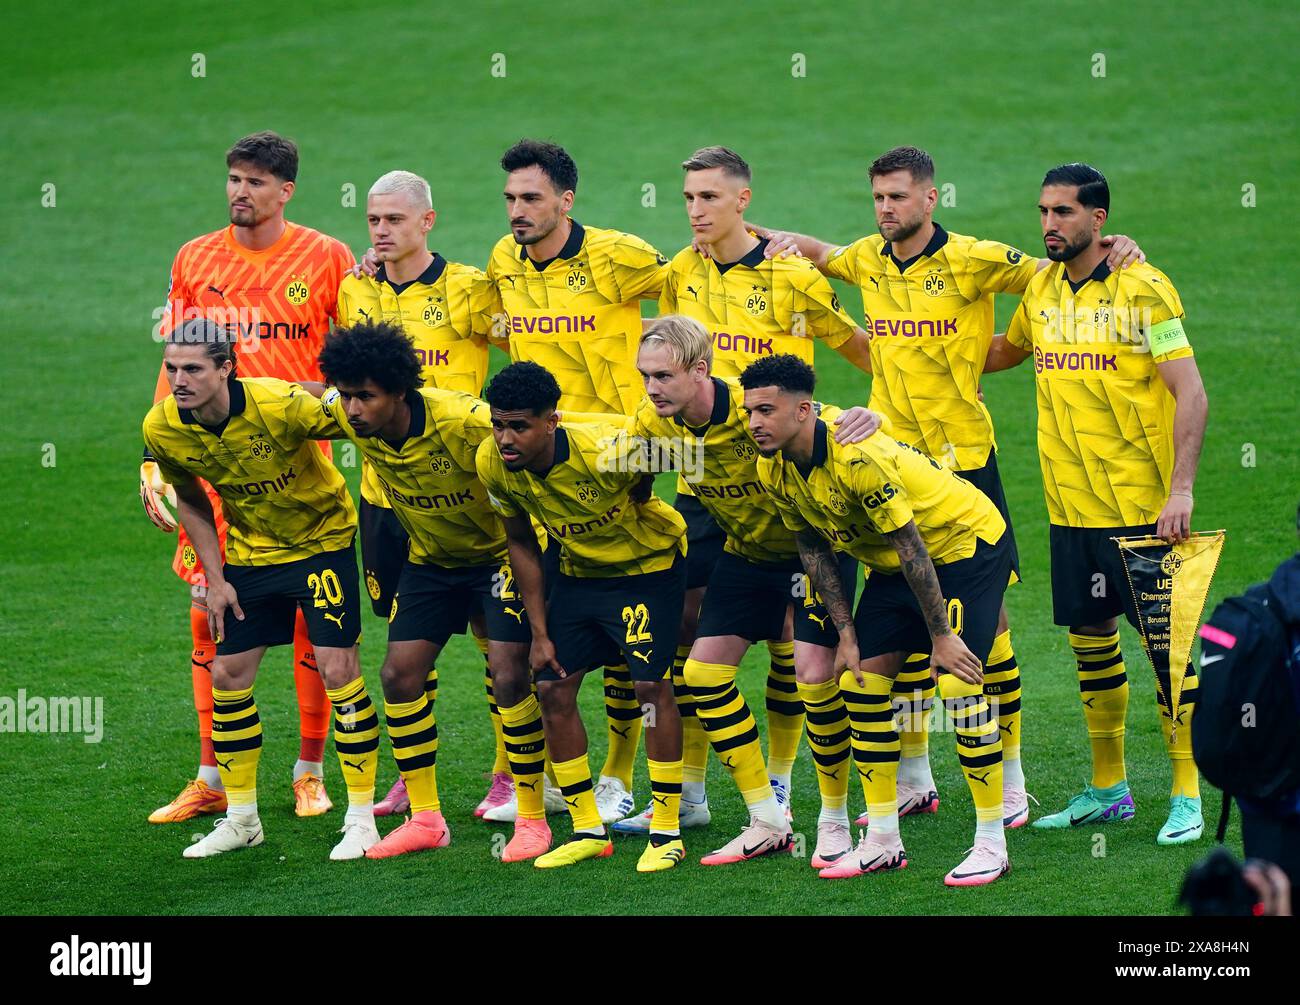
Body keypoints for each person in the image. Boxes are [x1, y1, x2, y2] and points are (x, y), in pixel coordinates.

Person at [747, 147, 1145, 827]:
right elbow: (825, 252)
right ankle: (915, 774)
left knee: (985, 631)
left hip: (963, 465)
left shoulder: (980, 259)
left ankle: (1012, 782)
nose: (886, 209)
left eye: (899, 197)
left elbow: (1059, 270)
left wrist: (1115, 244)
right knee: (902, 622)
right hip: (888, 462)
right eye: (878, 198)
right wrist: (774, 238)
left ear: (932, 199)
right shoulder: (868, 257)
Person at [630, 146, 873, 828]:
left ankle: (781, 777)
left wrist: (889, 405)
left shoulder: (792, 275)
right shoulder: (680, 272)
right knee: (687, 624)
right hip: (705, 479)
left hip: (780, 477)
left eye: (708, 197)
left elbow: (858, 345)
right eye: (687, 198)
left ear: (743, 199)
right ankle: (693, 789)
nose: (694, 211)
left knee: (790, 636)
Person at [985, 163, 1209, 844]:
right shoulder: (1042, 288)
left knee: (1167, 653)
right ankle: (1109, 788)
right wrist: (923, 344)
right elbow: (1005, 351)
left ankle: (1187, 792)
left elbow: (1191, 392)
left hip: (1143, 506)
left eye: (1063, 213)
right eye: (1043, 211)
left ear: (1098, 219)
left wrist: (1180, 489)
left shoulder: (1144, 289)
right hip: (1071, 508)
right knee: (1093, 647)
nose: (1049, 224)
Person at [140, 131, 354, 824]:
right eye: (234, 179)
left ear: (285, 190)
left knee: (308, 626)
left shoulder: (326, 258)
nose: (240, 192)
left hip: (296, 476)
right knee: (209, 614)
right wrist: (155, 455)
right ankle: (210, 777)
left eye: (256, 182)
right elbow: (175, 362)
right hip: (215, 473)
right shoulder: (194, 258)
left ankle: (309, 771)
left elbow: (350, 360)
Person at [745, 353, 1015, 887]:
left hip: (964, 545)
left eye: (767, 410)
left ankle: (992, 841)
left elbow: (911, 544)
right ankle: (884, 840)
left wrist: (940, 637)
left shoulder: (856, 458)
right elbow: (813, 547)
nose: (755, 422)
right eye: (751, 410)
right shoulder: (771, 465)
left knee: (957, 685)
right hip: (897, 563)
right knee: (860, 681)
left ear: (804, 411)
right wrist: (846, 635)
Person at [625, 316, 882, 867]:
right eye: (645, 376)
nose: (652, 388)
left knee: (811, 677)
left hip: (811, 552)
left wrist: (870, 416)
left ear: (701, 371)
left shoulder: (751, 414)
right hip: (744, 554)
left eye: (663, 376)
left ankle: (830, 817)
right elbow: (632, 476)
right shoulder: (656, 424)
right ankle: (766, 816)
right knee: (701, 674)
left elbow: (827, 424)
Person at [312, 319, 548, 861]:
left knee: (511, 675)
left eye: (363, 397)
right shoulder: (354, 417)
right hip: (433, 563)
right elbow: (294, 401)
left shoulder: (462, 421)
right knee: (399, 675)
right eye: (345, 396)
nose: (351, 410)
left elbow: (542, 431)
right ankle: (426, 817)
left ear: (399, 391)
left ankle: (532, 819)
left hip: (497, 560)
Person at [142, 320, 378, 861]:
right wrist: (216, 577)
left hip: (322, 543)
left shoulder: (278, 405)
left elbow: (362, 412)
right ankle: (242, 819)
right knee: (227, 673)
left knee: (339, 668)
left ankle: (361, 819)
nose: (179, 379)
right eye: (172, 368)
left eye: (194, 369)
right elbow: (193, 499)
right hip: (251, 553)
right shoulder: (163, 427)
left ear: (227, 368)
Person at [336, 170, 516, 820]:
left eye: (393, 219)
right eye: (372, 219)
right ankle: (417, 778)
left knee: (495, 640)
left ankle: (509, 772)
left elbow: (525, 352)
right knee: (410, 639)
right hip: (384, 497)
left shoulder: (468, 289)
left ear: (427, 221)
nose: (381, 231)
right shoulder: (354, 287)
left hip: (463, 498)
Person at [477, 362, 689, 872]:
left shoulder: (607, 448)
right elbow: (520, 540)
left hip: (648, 568)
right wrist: (541, 633)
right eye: (498, 424)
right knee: (551, 685)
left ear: (552, 422)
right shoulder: (492, 461)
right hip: (577, 573)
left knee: (650, 692)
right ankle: (588, 829)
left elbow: (683, 453)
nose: (506, 438)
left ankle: (667, 830)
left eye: (519, 426)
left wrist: (640, 487)